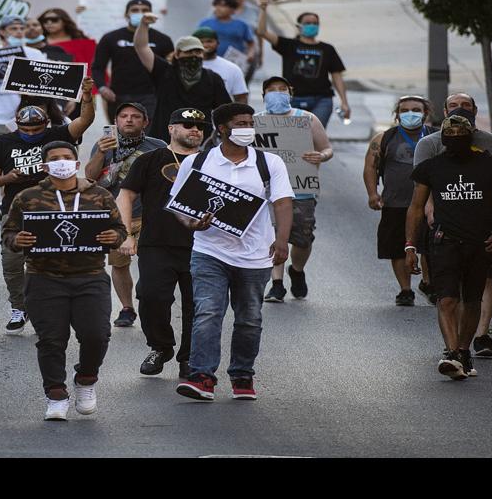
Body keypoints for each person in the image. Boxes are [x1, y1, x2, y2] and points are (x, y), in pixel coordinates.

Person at [172, 103, 293, 402]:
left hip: (254, 256)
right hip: (209, 251)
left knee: (249, 318)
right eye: (240, 123)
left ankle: (242, 375)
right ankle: (201, 376)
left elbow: (283, 203)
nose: (247, 128)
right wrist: (191, 223)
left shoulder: (269, 163)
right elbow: (178, 203)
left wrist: (282, 240)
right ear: (222, 129)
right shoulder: (198, 162)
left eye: (250, 123)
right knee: (208, 312)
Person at [0, 139, 128, 421]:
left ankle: (85, 379)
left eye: (66, 157)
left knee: (96, 335)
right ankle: (55, 394)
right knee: (51, 340)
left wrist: (114, 238)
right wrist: (16, 240)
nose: (61, 162)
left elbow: (119, 229)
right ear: (45, 166)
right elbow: (8, 234)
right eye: (54, 158)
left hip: (90, 276)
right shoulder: (27, 197)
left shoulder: (99, 195)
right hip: (44, 278)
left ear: (76, 163)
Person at [407, 114, 492, 380]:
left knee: (472, 299)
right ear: (443, 139)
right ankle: (452, 353)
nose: (456, 140)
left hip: (481, 243)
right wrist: (410, 245)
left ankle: (464, 349)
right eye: (450, 136)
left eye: (461, 136)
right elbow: (416, 208)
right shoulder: (430, 168)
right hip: (445, 242)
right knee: (446, 298)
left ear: (471, 137)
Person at [0, 85, 98, 334]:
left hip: (55, 211)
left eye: (37, 129)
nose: (32, 133)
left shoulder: (57, 136)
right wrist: (7, 178)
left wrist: (86, 98)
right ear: (17, 124)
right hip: (16, 212)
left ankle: (48, 309)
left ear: (46, 123)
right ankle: (18, 307)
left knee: (52, 263)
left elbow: (86, 119)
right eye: (26, 129)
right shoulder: (4, 142)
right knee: (12, 262)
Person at [117, 107, 205, 379]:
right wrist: (127, 235)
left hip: (203, 247)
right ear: (170, 129)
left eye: (199, 127)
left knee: (198, 306)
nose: (194, 130)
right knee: (151, 297)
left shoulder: (212, 162)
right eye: (187, 125)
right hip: (156, 243)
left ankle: (189, 359)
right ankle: (160, 346)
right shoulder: (151, 159)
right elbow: (125, 196)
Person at [82, 101, 164, 328]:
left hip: (150, 217)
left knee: (153, 265)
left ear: (145, 122)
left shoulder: (157, 146)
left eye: (135, 116)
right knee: (119, 265)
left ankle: (150, 302)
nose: (129, 120)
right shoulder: (105, 145)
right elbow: (90, 177)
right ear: (116, 122)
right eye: (124, 116)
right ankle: (127, 308)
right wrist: (100, 152)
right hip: (116, 218)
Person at [256, 75, 332, 302]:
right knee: (272, 234)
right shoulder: (255, 122)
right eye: (272, 89)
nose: (277, 93)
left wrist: (321, 155)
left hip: (301, 190)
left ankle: (296, 271)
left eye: (282, 89)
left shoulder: (307, 119)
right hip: (267, 192)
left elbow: (327, 149)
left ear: (290, 93)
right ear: (264, 96)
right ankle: (276, 284)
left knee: (303, 238)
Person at [364, 95, 433, 306]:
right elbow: (370, 167)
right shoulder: (383, 139)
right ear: (397, 115)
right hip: (395, 202)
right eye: (404, 110)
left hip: (429, 205)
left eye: (416, 109)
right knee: (398, 248)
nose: (410, 113)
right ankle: (405, 289)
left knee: (429, 246)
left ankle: (428, 282)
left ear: (425, 113)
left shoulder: (435, 138)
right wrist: (373, 194)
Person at [255, 1, 349, 127]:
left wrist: (344, 102)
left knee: (315, 135)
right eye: (308, 23)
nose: (312, 25)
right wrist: (263, 9)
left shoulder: (327, 49)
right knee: (294, 137)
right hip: (294, 99)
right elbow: (262, 32)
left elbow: (336, 75)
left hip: (321, 100)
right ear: (299, 26)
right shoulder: (289, 45)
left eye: (315, 23)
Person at [135, 24, 230, 145]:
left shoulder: (212, 78)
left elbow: (225, 111)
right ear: (177, 54)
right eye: (189, 52)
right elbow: (141, 47)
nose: (194, 56)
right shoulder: (164, 72)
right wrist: (144, 24)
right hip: (164, 140)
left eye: (198, 52)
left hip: (200, 141)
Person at [93, 0, 168, 123]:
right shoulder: (110, 38)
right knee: (122, 133)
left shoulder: (163, 40)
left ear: (151, 14)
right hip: (119, 95)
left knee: (148, 135)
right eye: (135, 10)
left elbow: (169, 71)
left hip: (151, 96)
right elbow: (98, 67)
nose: (140, 13)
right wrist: (102, 87)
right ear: (126, 14)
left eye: (145, 10)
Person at [0, 16, 48, 139]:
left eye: (22, 28)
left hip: (28, 117)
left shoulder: (34, 54)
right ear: (2, 32)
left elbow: (44, 85)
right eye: (13, 28)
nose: (19, 31)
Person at [193, 27, 247, 104]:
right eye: (200, 42)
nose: (205, 45)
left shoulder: (232, 68)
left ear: (217, 43)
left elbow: (241, 98)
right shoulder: (185, 66)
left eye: (209, 41)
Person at [199, 0, 254, 67]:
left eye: (223, 6)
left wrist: (250, 54)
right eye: (216, 5)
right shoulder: (205, 23)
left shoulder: (242, 25)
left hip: (233, 63)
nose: (218, 8)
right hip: (209, 62)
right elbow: (195, 41)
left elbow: (251, 43)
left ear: (233, 10)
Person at [223, 0, 261, 79]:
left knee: (242, 84)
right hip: (224, 53)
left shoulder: (254, 10)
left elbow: (259, 33)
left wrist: (260, 54)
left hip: (248, 54)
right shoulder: (219, 10)